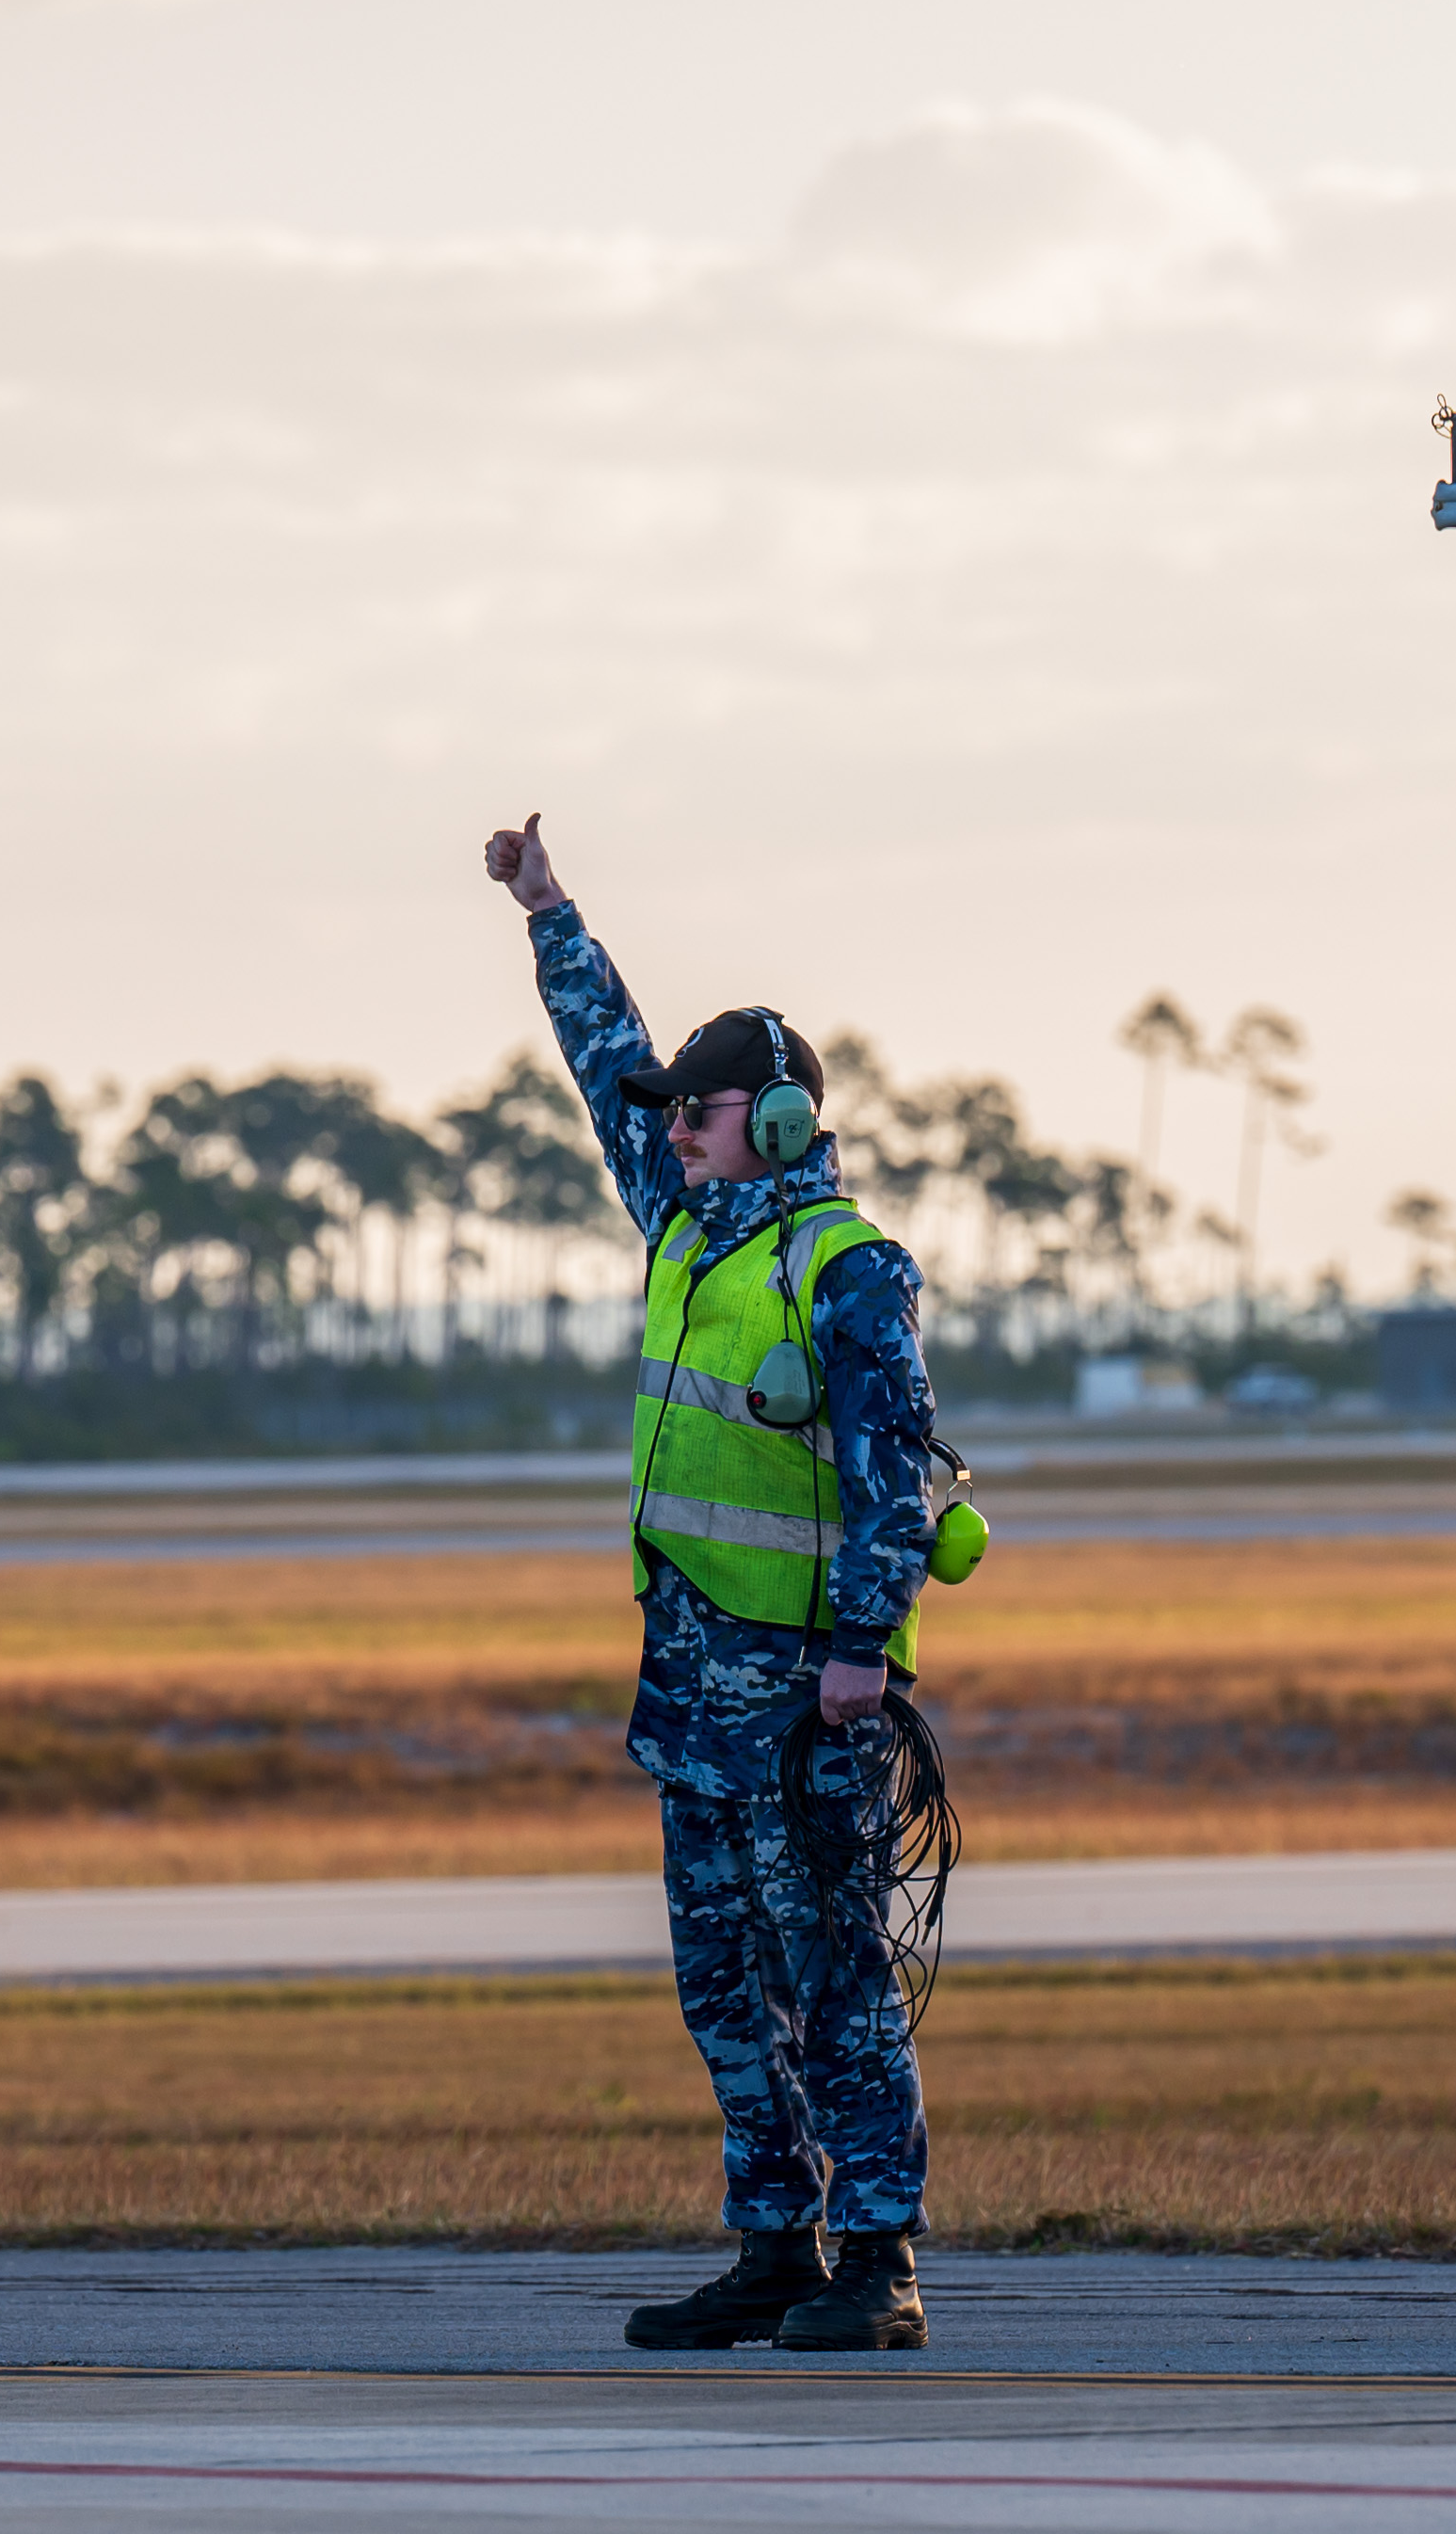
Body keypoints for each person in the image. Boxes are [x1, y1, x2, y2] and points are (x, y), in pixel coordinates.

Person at [481, 809, 942, 2355]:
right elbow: (595, 1048)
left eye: (704, 1109)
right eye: (671, 1113)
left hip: (804, 1694)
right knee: (723, 1983)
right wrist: (548, 910)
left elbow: (897, 1474)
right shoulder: (686, 1227)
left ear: (790, 1122)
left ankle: (876, 2261)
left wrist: (862, 1654)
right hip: (689, 1695)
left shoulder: (846, 1268)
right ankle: (774, 2242)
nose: (673, 1129)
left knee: (836, 1970)